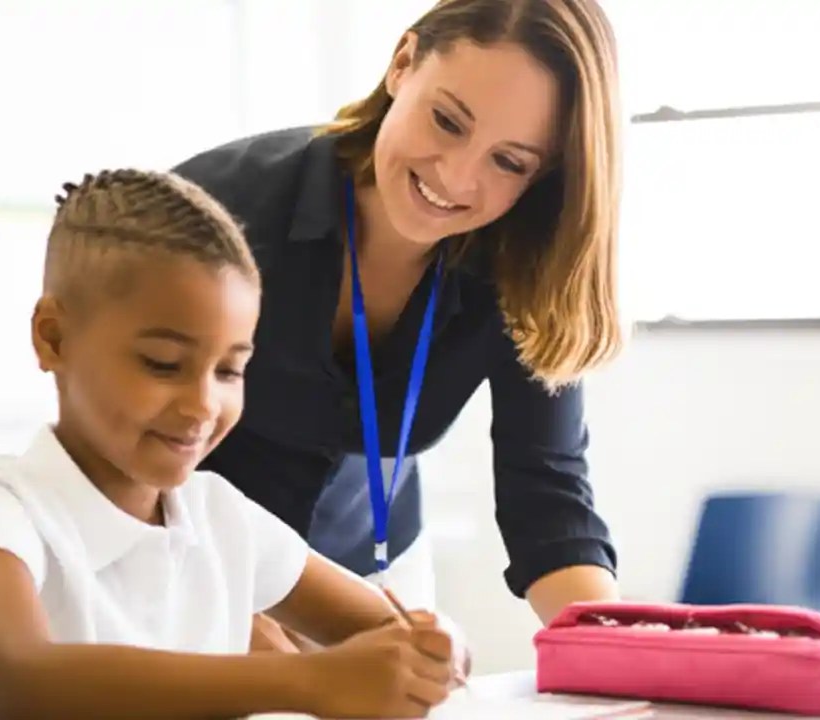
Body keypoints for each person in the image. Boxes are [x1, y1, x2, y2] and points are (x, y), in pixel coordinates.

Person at [0, 169, 468, 720]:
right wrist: (302, 680)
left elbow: (395, 631)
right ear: (54, 338)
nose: (204, 405)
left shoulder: (220, 515)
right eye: (163, 364)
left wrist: (436, 647)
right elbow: (21, 682)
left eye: (230, 370)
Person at [173, 0, 624, 631]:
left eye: (510, 161)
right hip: (187, 568)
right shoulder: (213, 210)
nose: (458, 177)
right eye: (447, 120)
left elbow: (548, 498)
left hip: (374, 574)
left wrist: (624, 653)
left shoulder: (527, 266)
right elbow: (116, 452)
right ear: (402, 64)